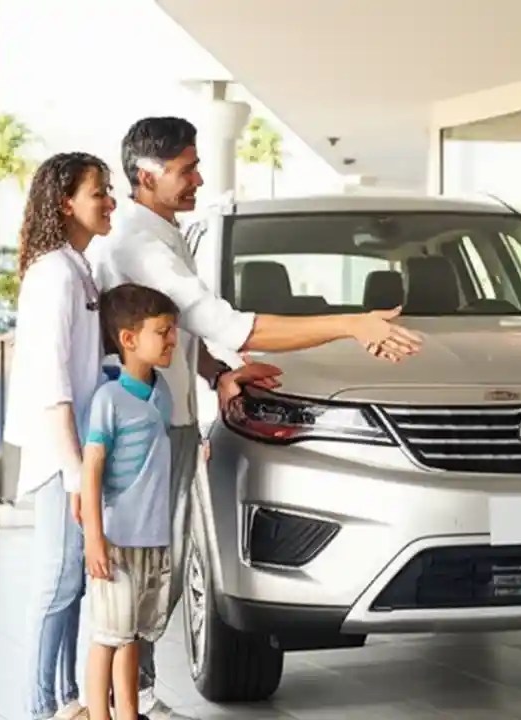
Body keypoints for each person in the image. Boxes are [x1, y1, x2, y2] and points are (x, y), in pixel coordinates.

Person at [85, 116, 423, 719]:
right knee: (136, 575)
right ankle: (120, 701)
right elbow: (227, 323)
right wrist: (349, 323)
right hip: (150, 432)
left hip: (174, 421)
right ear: (146, 174)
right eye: (186, 169)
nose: (198, 177)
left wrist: (219, 374)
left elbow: (190, 333)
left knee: (154, 569)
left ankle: (135, 696)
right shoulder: (138, 242)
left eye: (195, 164)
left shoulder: (163, 233)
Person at [3, 152, 116, 720]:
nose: (110, 201)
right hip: (59, 455)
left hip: (76, 454)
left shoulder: (77, 267)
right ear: (65, 201)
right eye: (99, 192)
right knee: (57, 580)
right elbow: (51, 381)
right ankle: (40, 707)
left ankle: (64, 699)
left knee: (71, 582)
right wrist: (75, 473)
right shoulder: (54, 274)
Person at [80, 284, 181, 720]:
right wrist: (93, 538)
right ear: (129, 339)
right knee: (108, 635)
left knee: (133, 636)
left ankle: (128, 714)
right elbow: (92, 468)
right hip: (116, 541)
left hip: (153, 538)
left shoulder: (164, 394)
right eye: (163, 331)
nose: (173, 339)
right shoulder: (108, 400)